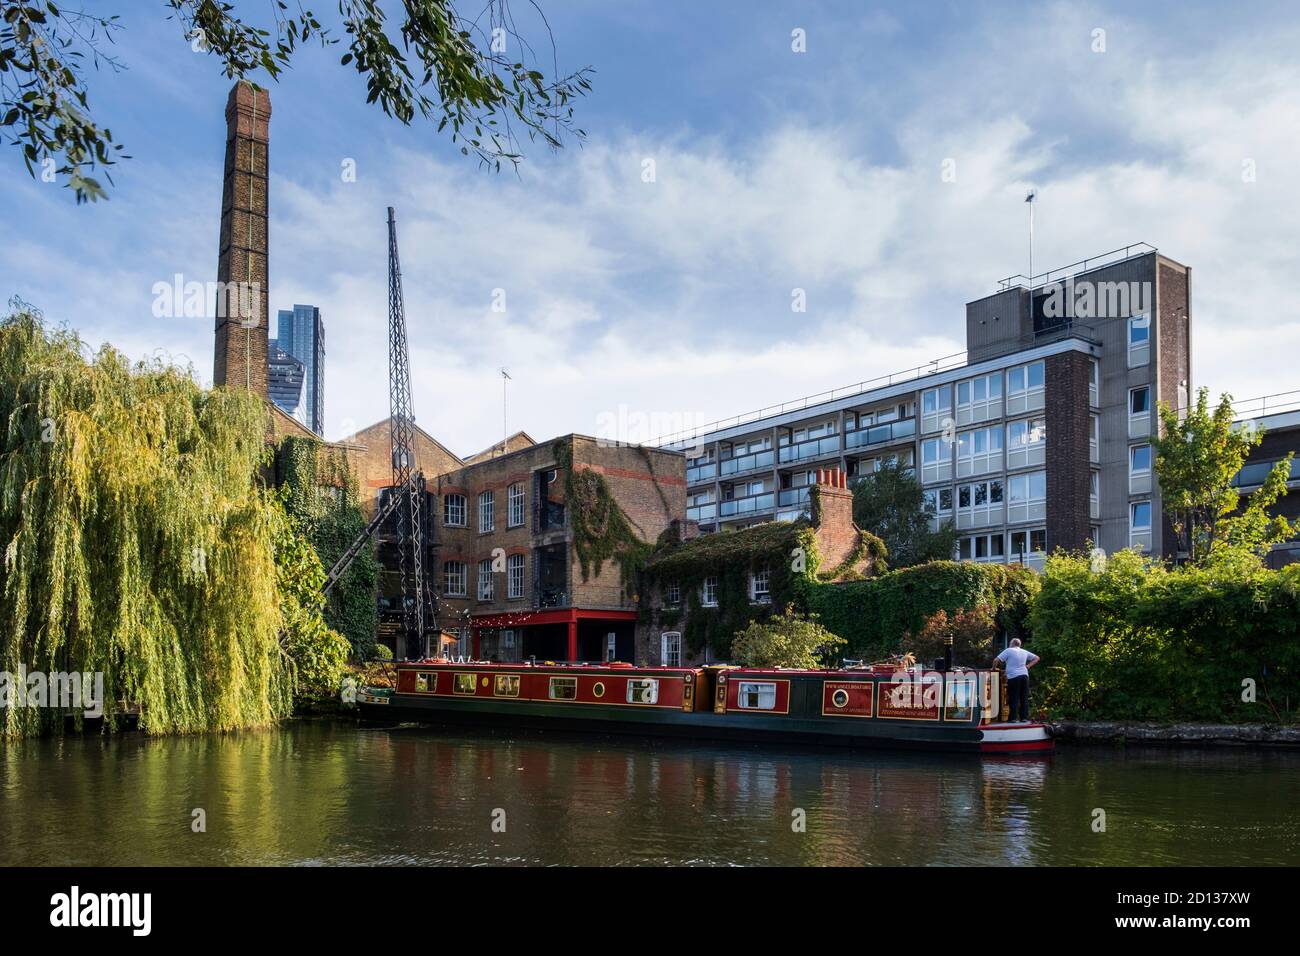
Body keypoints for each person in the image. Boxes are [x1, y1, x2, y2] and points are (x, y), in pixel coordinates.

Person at [994, 638, 1040, 723]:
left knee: (1013, 697)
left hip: (1014, 677)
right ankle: (1024, 718)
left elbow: (996, 660)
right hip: (1025, 676)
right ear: (1019, 644)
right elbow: (1037, 658)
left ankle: (1013, 718)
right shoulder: (1024, 651)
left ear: (1011, 644)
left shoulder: (1008, 650)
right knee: (1024, 698)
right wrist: (1028, 666)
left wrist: (993, 668)